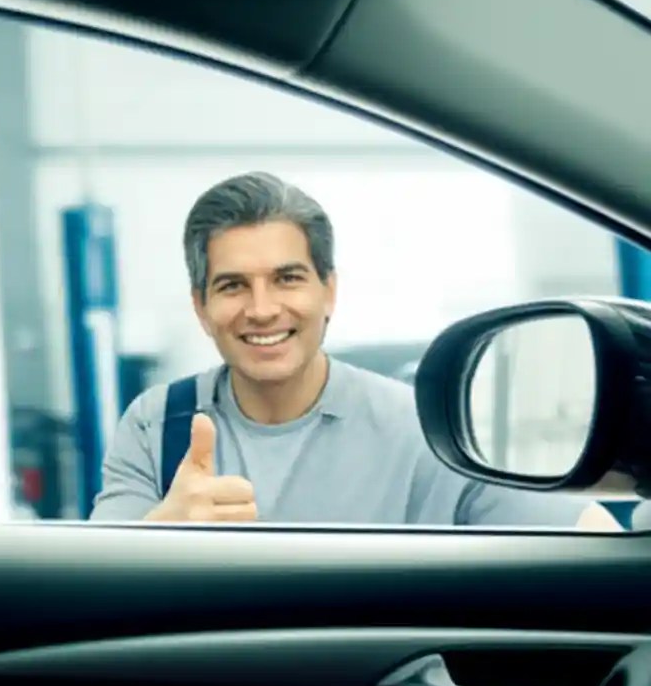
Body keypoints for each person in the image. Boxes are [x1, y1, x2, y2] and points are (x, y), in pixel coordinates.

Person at [90, 171, 620, 530]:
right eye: (232, 286)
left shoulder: (424, 430)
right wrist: (161, 536)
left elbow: (584, 535)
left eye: (287, 278)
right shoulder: (158, 424)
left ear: (329, 291)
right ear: (201, 307)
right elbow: (94, 588)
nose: (261, 308)